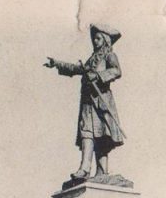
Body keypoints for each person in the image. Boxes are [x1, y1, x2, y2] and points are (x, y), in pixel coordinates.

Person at [44, 24, 125, 179]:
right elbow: (76, 69)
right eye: (94, 38)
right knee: (86, 132)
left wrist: (98, 76)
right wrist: (56, 63)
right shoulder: (91, 60)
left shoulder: (110, 55)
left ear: (106, 40)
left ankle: (102, 172)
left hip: (101, 101)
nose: (95, 41)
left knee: (101, 135)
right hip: (88, 102)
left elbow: (117, 71)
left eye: (98, 38)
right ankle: (85, 168)